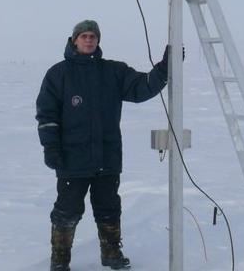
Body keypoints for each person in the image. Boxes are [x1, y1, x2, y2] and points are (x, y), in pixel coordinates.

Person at [36, 20, 169, 271]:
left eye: (93, 36)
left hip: (107, 158)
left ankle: (111, 254)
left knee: (109, 208)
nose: (89, 40)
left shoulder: (113, 71)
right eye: (84, 36)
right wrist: (50, 147)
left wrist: (164, 69)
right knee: (67, 211)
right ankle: (60, 261)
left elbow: (142, 88)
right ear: (74, 40)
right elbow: (47, 115)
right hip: (71, 159)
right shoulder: (58, 74)